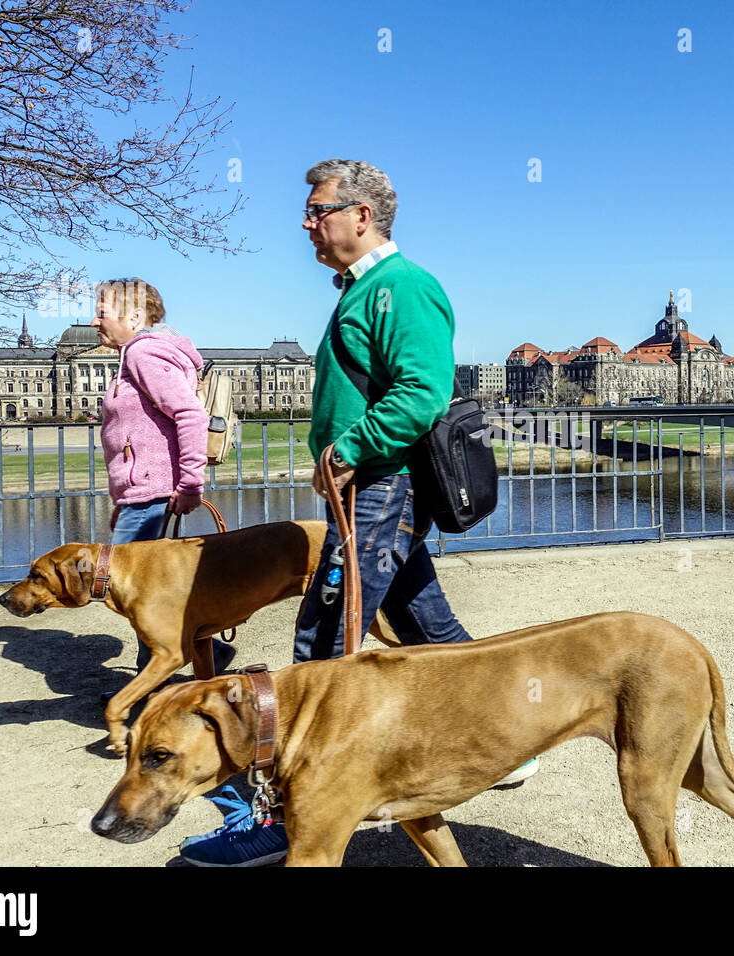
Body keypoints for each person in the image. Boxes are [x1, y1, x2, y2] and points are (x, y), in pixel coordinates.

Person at [180, 159, 536, 868]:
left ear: (361, 216)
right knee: (427, 628)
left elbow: (423, 393)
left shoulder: (403, 287)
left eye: (318, 210)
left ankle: (290, 821)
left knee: (319, 648)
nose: (307, 223)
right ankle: (510, 737)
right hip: (368, 487)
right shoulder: (363, 291)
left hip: (381, 487)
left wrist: (348, 451)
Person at [91, 277, 233, 677]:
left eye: (102, 312)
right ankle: (199, 657)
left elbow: (190, 415)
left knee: (136, 592)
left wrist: (190, 484)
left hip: (153, 493)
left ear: (134, 316)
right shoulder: (136, 355)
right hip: (142, 493)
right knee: (146, 591)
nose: (93, 321)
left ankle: (152, 681)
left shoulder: (143, 354)